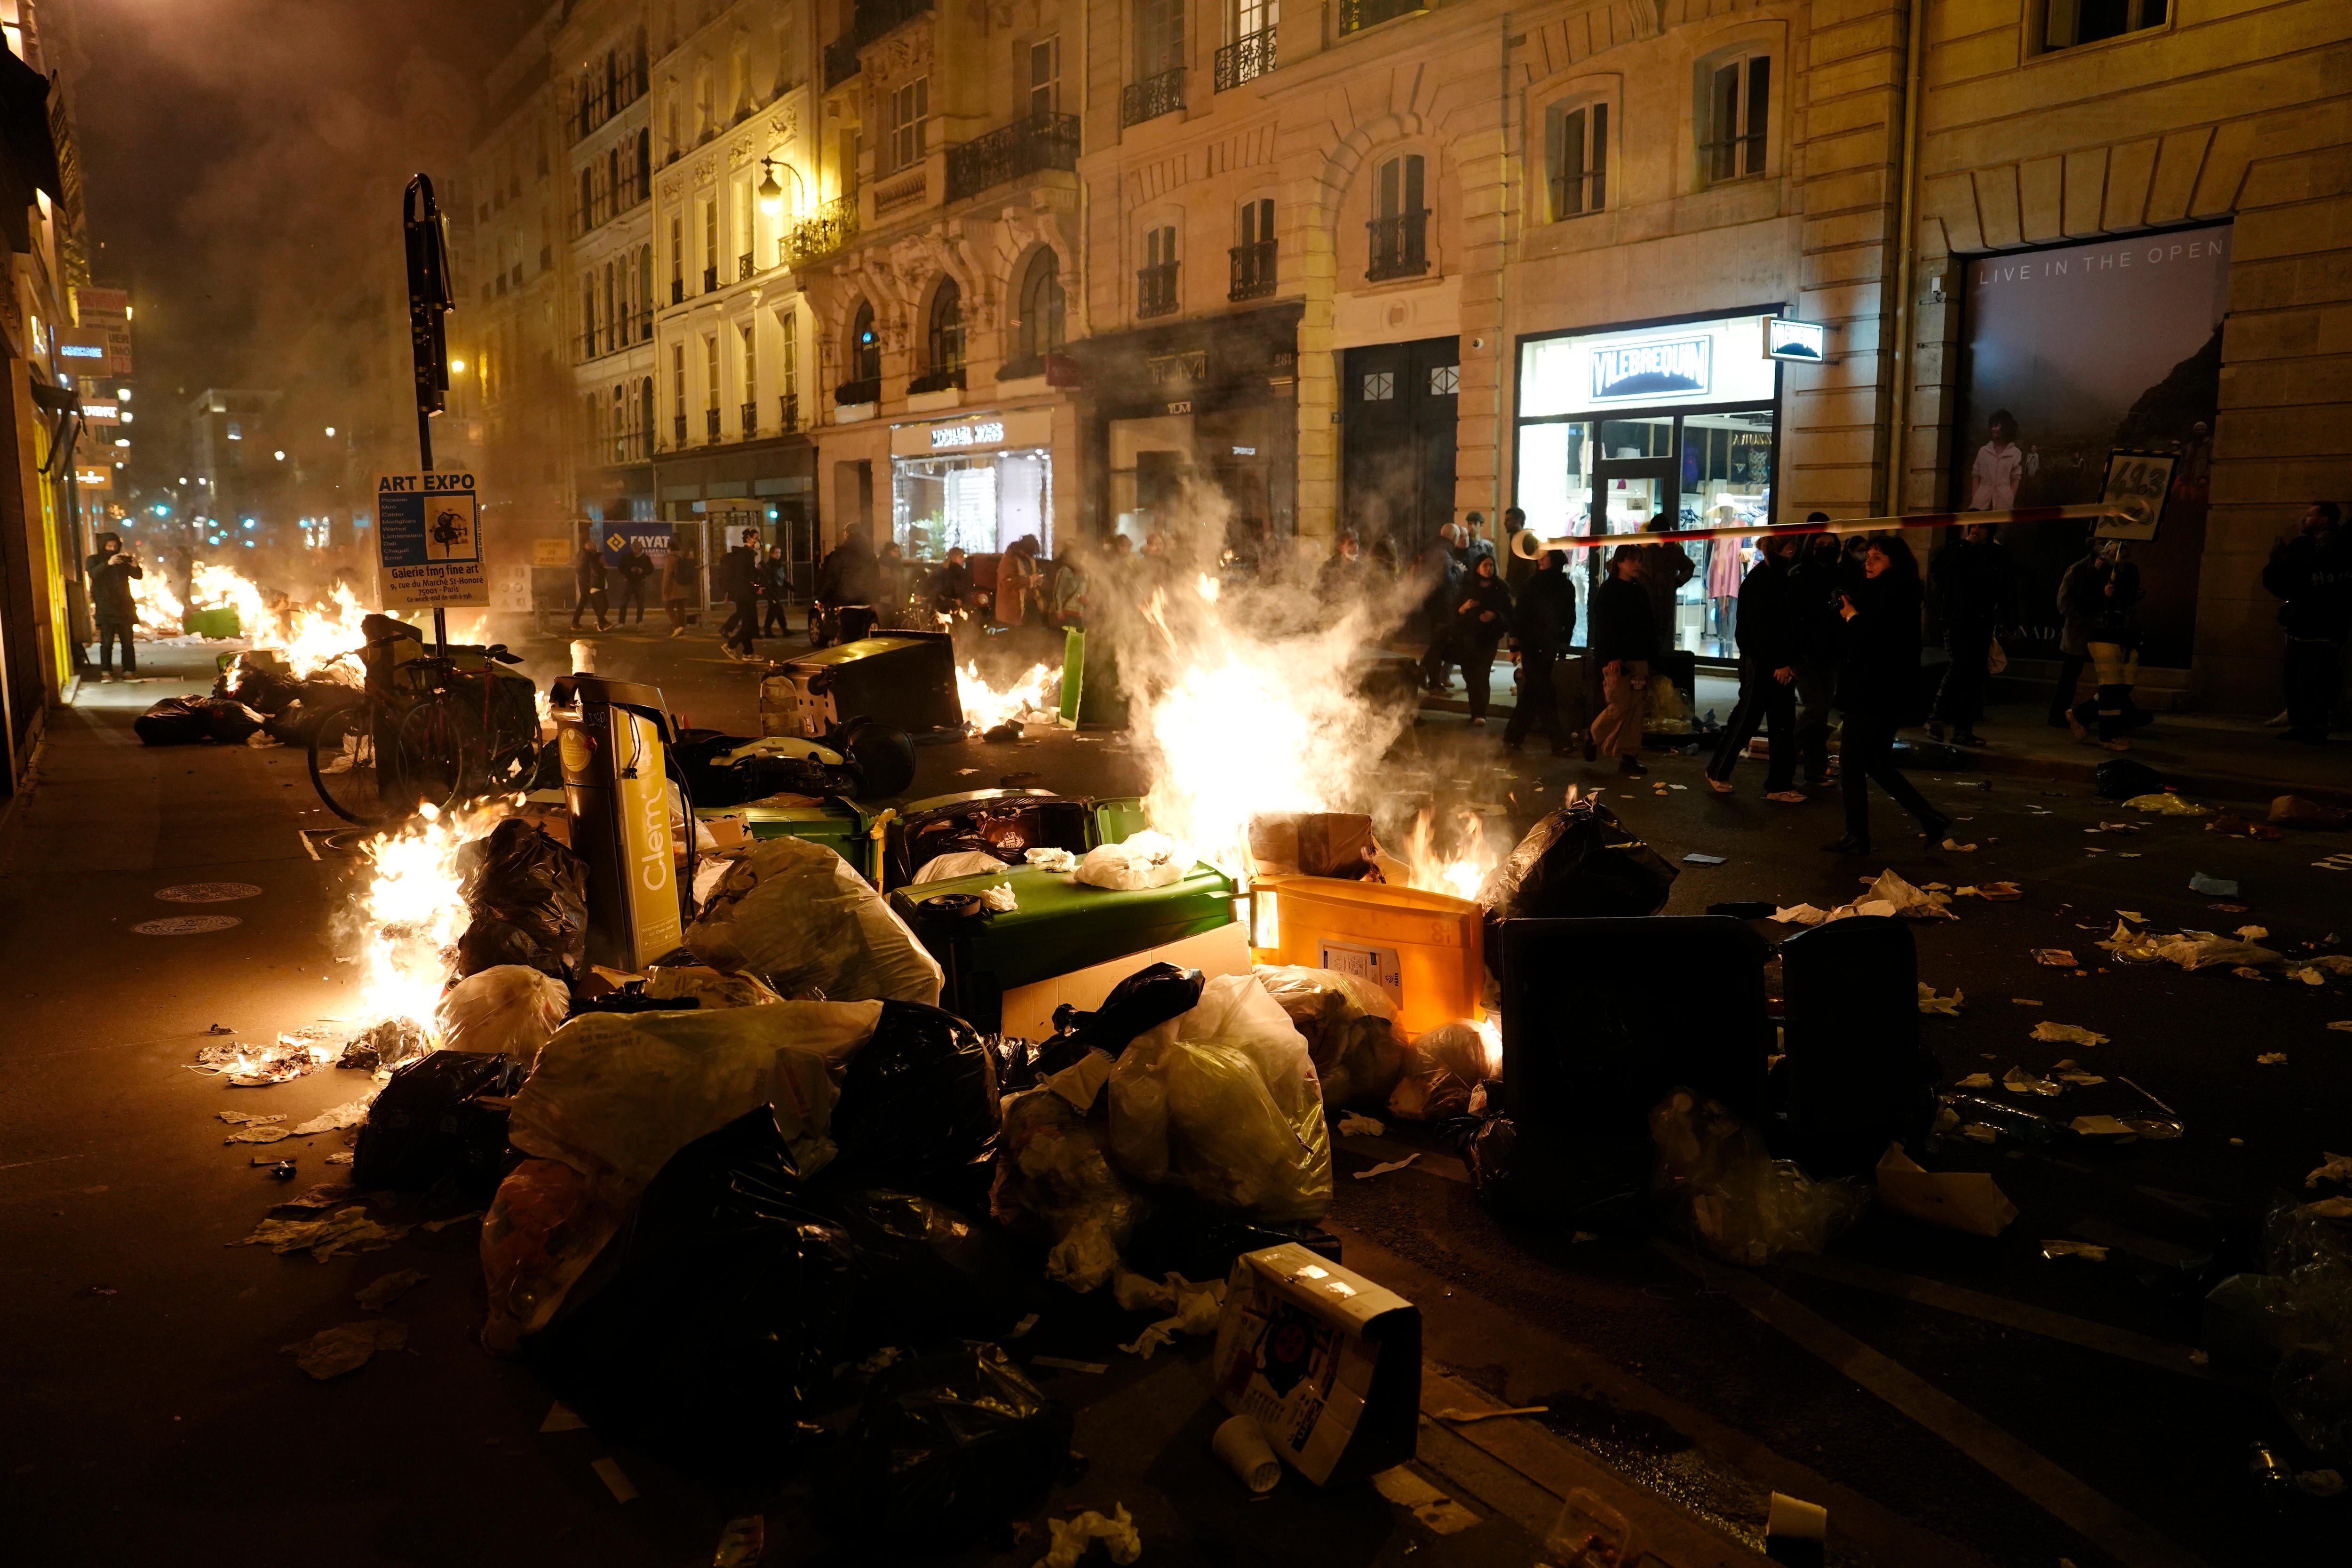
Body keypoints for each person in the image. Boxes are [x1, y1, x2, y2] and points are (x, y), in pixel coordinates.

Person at [1824, 533, 1952, 856]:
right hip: (1886, 691)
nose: (1868, 561)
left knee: (1853, 762)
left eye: (1876, 557)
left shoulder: (1893, 596)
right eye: (1867, 555)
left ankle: (1857, 835)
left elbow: (1870, 641)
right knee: (1875, 761)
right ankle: (1929, 816)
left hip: (1874, 691)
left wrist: (1852, 615)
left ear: (1894, 562)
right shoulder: (1892, 592)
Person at [1703, 531, 1806, 801]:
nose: (1793, 552)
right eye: (1790, 548)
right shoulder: (1764, 580)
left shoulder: (1775, 577)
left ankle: (1779, 784)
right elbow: (1764, 628)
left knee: (1780, 722)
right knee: (1749, 719)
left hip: (1772, 661)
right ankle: (1719, 771)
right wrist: (1781, 662)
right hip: (1763, 662)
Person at [2263, 501, 2350, 744]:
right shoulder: (2309, 548)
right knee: (2298, 677)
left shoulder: (2325, 549)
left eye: (2311, 515)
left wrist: (2281, 562)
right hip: (2307, 622)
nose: (2304, 519)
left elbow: (2295, 579)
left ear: (2324, 520)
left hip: (2321, 624)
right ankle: (2303, 724)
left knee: (2315, 677)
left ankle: (2313, 725)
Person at [1926, 521, 2018, 746]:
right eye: (1973, 526)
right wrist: (1966, 547)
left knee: (1975, 674)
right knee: (1960, 666)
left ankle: (1963, 729)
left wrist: (2011, 620)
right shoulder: (1956, 548)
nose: (1976, 531)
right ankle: (1936, 718)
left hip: (1982, 621)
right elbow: (1939, 573)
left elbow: (2007, 588)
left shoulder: (1999, 555)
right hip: (1956, 620)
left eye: (1983, 527)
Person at [2064, 540, 2148, 750]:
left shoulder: (2130, 570)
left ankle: (2081, 714)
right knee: (2110, 685)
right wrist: (2102, 594)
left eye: (2124, 544)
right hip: (2104, 634)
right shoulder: (2093, 571)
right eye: (2113, 543)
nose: (2120, 547)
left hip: (2127, 636)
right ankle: (2108, 736)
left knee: (2124, 686)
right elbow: (2083, 604)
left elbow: (2129, 594)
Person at [1587, 544, 1654, 778]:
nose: (1637, 565)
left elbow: (1648, 625)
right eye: (1631, 560)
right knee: (1620, 705)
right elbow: (1604, 627)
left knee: (1637, 708)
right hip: (1617, 659)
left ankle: (1629, 756)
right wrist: (1612, 656)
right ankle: (1594, 736)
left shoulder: (1640, 590)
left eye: (1639, 560)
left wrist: (1650, 655)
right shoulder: (1609, 591)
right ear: (1619, 562)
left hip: (1639, 657)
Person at [1787, 517, 1844, 788]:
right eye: (1820, 544)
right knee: (1816, 707)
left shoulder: (1841, 573)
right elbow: (1795, 617)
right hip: (1806, 653)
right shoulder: (1799, 574)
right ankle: (1787, 755)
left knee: (1821, 714)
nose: (1825, 548)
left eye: (1829, 544)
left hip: (1831, 652)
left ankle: (1815, 768)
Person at [1503, 548, 1575, 755]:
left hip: (1548, 643)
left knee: (1534, 690)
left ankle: (1513, 736)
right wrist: (1515, 645)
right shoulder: (1533, 584)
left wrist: (1563, 643)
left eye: (1545, 557)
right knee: (1543, 689)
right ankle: (1559, 741)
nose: (1541, 561)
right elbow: (1520, 615)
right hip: (1533, 643)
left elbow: (1569, 617)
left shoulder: (1562, 586)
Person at [1453, 554, 1513, 725]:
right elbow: (1454, 610)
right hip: (1468, 638)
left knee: (1482, 674)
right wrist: (1464, 608)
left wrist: (1495, 616)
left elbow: (1509, 612)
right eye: (1485, 566)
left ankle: (1481, 713)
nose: (1489, 569)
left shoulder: (1500, 587)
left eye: (1491, 565)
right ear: (1477, 568)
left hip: (1489, 639)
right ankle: (1475, 710)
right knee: (1470, 675)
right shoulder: (1467, 586)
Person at [2050, 538, 2099, 728]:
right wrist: (2081, 616)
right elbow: (2064, 602)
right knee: (2070, 676)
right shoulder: (2079, 569)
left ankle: (2061, 713)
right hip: (2079, 632)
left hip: (2091, 631)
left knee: (2072, 675)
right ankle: (2058, 713)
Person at [86, 532, 141, 680]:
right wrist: (108, 564)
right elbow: (93, 574)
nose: (112, 549)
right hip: (105, 607)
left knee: (128, 643)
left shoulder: (122, 561)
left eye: (115, 546)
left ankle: (129, 671)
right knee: (107, 642)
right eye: (109, 546)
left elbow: (138, 576)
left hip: (124, 607)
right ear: (103, 546)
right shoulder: (94, 560)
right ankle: (106, 672)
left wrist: (135, 567)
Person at [1417, 524, 1466, 691]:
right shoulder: (1443, 553)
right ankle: (1426, 677)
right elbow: (1446, 580)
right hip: (1442, 607)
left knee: (1437, 644)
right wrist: (1459, 571)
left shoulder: (1433, 548)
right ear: (1454, 538)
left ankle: (1430, 679)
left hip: (1433, 605)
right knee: (1439, 645)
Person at [814, 528, 880, 644]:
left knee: (848, 639)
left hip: (847, 603)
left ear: (847, 535)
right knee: (861, 637)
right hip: (865, 603)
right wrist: (875, 599)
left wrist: (822, 599)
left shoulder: (841, 553)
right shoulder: (870, 554)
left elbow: (833, 579)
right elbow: (875, 578)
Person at [1968, 410, 2024, 511]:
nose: (1993, 429)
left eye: (1997, 426)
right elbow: (1976, 476)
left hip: (2004, 503)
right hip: (1981, 501)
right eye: (1992, 426)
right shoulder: (1984, 451)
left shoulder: (2015, 453)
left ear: (2006, 427)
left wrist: (2010, 496)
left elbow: (2016, 478)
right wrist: (1976, 496)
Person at [717, 527, 761, 656]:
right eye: (756, 539)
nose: (758, 542)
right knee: (751, 625)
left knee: (748, 624)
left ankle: (749, 653)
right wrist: (756, 587)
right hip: (745, 595)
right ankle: (731, 645)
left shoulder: (747, 555)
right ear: (748, 539)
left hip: (744, 594)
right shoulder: (745, 556)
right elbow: (744, 578)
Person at [995, 535, 1041, 628]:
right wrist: (1029, 580)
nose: (1031, 556)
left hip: (1029, 607)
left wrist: (1037, 580)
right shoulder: (1008, 560)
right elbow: (1007, 582)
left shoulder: (1029, 560)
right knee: (1016, 638)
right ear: (1024, 550)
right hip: (1013, 610)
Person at [662, 542, 701, 637]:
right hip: (684, 587)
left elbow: (667, 575)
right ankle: (682, 629)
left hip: (674, 587)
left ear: (670, 548)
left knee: (669, 608)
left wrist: (665, 588)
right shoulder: (683, 557)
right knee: (681, 608)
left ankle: (677, 627)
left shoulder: (671, 558)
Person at [1317, 532, 1367, 603]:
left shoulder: (1363, 566)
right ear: (1341, 548)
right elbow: (1319, 590)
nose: (1355, 546)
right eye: (1351, 543)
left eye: (1356, 542)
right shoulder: (1329, 566)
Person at [614, 539, 654, 625]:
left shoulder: (645, 558)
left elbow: (651, 570)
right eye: (634, 549)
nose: (635, 551)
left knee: (640, 604)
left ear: (640, 549)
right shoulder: (627, 557)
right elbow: (621, 568)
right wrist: (630, 570)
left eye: (637, 549)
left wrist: (642, 571)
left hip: (640, 582)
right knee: (624, 603)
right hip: (629, 581)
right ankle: (621, 622)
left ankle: (639, 621)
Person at [571, 545, 609, 631]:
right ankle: (602, 622)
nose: (595, 546)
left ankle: (576, 623)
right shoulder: (585, 555)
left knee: (584, 603)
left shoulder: (585, 555)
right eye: (593, 545)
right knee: (595, 603)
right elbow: (589, 565)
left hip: (587, 583)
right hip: (586, 583)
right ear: (587, 545)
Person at [933, 546, 976, 622]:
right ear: (954, 557)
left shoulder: (940, 570)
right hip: (956, 607)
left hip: (941, 606)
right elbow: (965, 589)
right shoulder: (960, 572)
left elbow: (934, 585)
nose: (964, 559)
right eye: (961, 557)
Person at [759, 545, 792, 637]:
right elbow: (766, 580)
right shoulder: (769, 566)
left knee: (773, 610)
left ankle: (769, 630)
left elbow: (782, 579)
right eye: (776, 553)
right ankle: (782, 629)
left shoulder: (779, 565)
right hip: (771, 591)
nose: (778, 555)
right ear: (771, 554)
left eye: (780, 552)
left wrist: (790, 587)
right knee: (778, 609)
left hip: (776, 590)